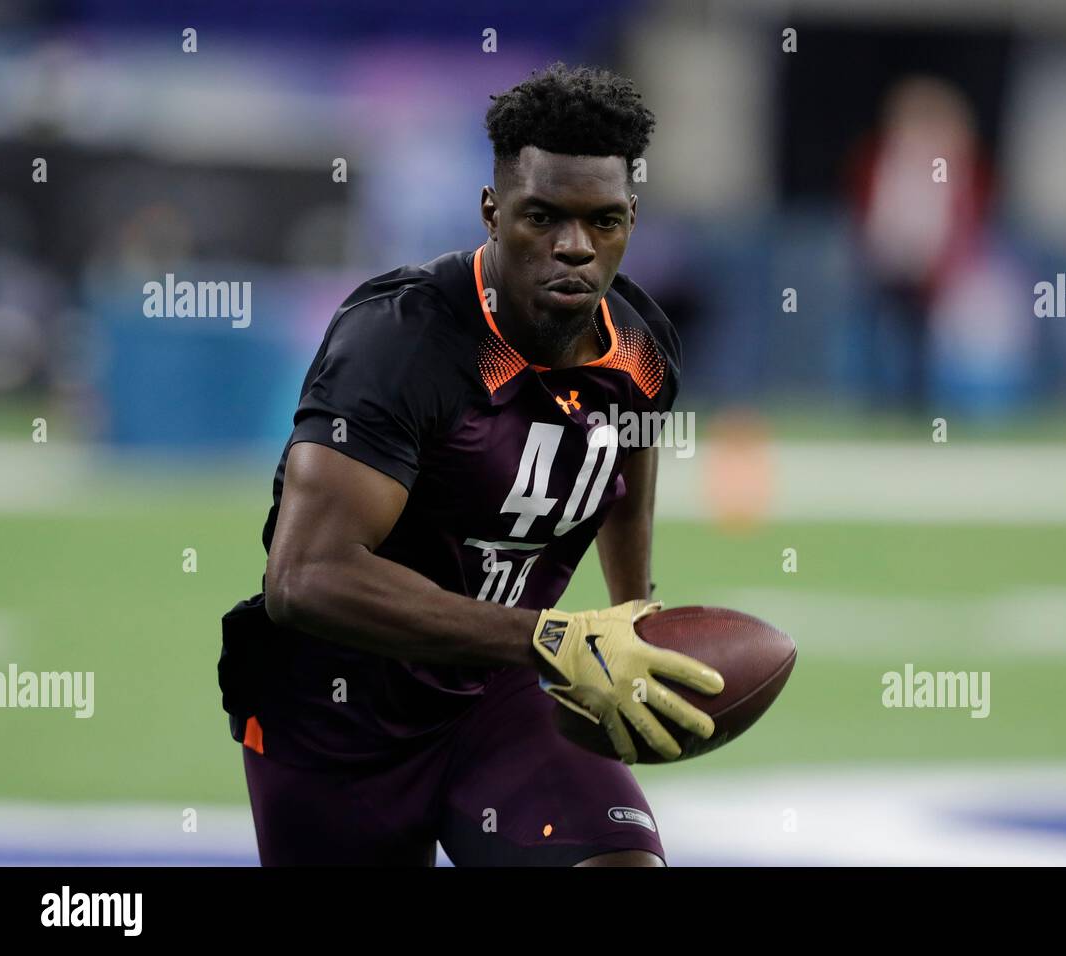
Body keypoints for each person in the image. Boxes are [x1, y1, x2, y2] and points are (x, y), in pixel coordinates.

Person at [218, 63, 723, 867]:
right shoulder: (400, 341)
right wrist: (555, 637)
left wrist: (636, 621)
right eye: (542, 217)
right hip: (338, 714)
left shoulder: (640, 344)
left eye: (603, 222)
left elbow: (627, 466)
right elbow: (305, 578)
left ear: (632, 220)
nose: (574, 248)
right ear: (492, 211)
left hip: (498, 691)